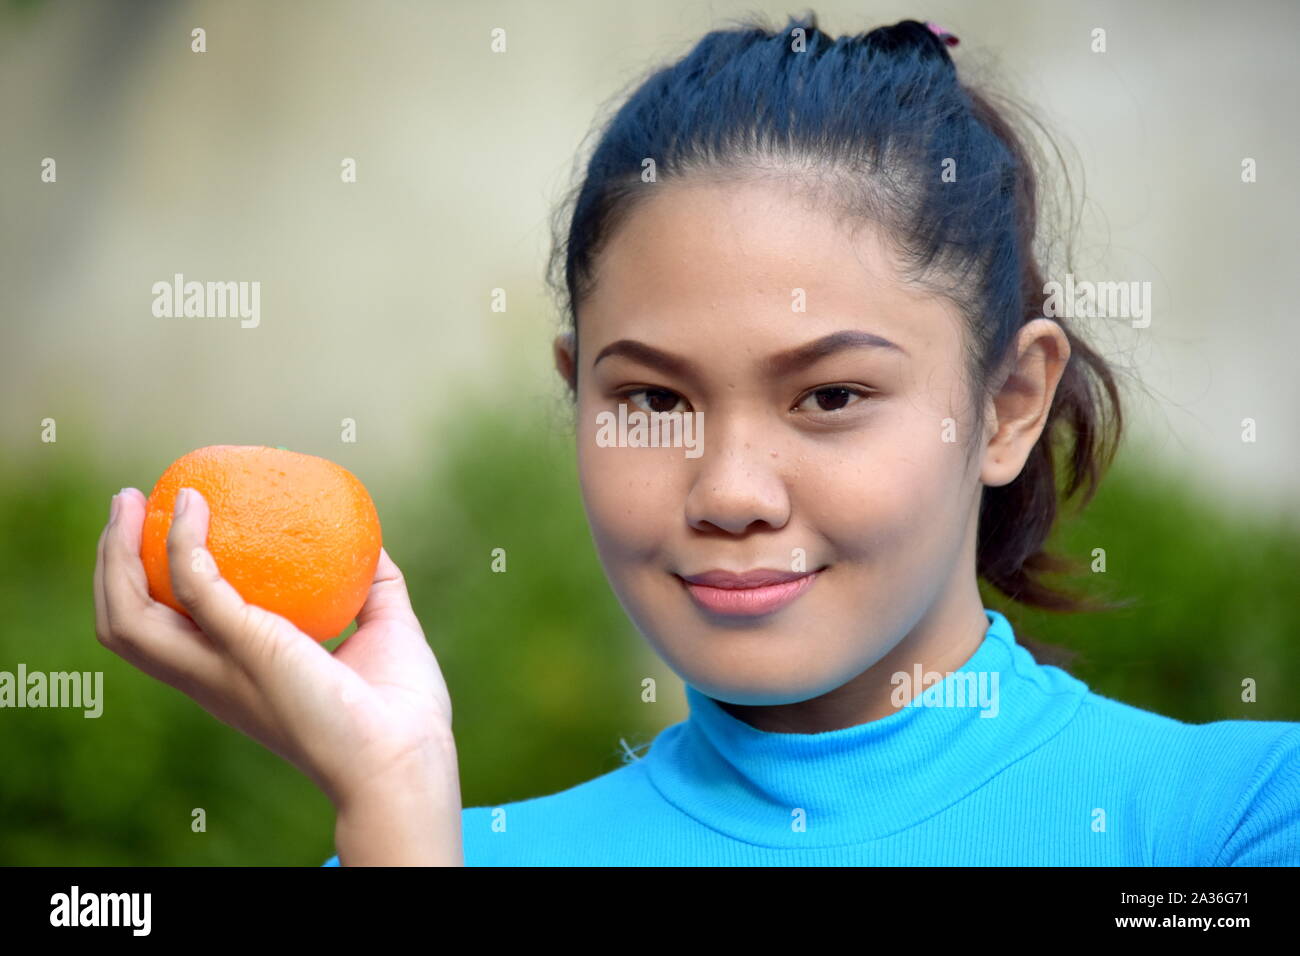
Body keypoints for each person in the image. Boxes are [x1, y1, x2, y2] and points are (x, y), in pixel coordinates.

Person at [95, 15, 1300, 866]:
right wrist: (397, 803)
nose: (728, 491)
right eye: (655, 401)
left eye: (829, 396)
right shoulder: (417, 846)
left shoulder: (1234, 818)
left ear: (1005, 406)